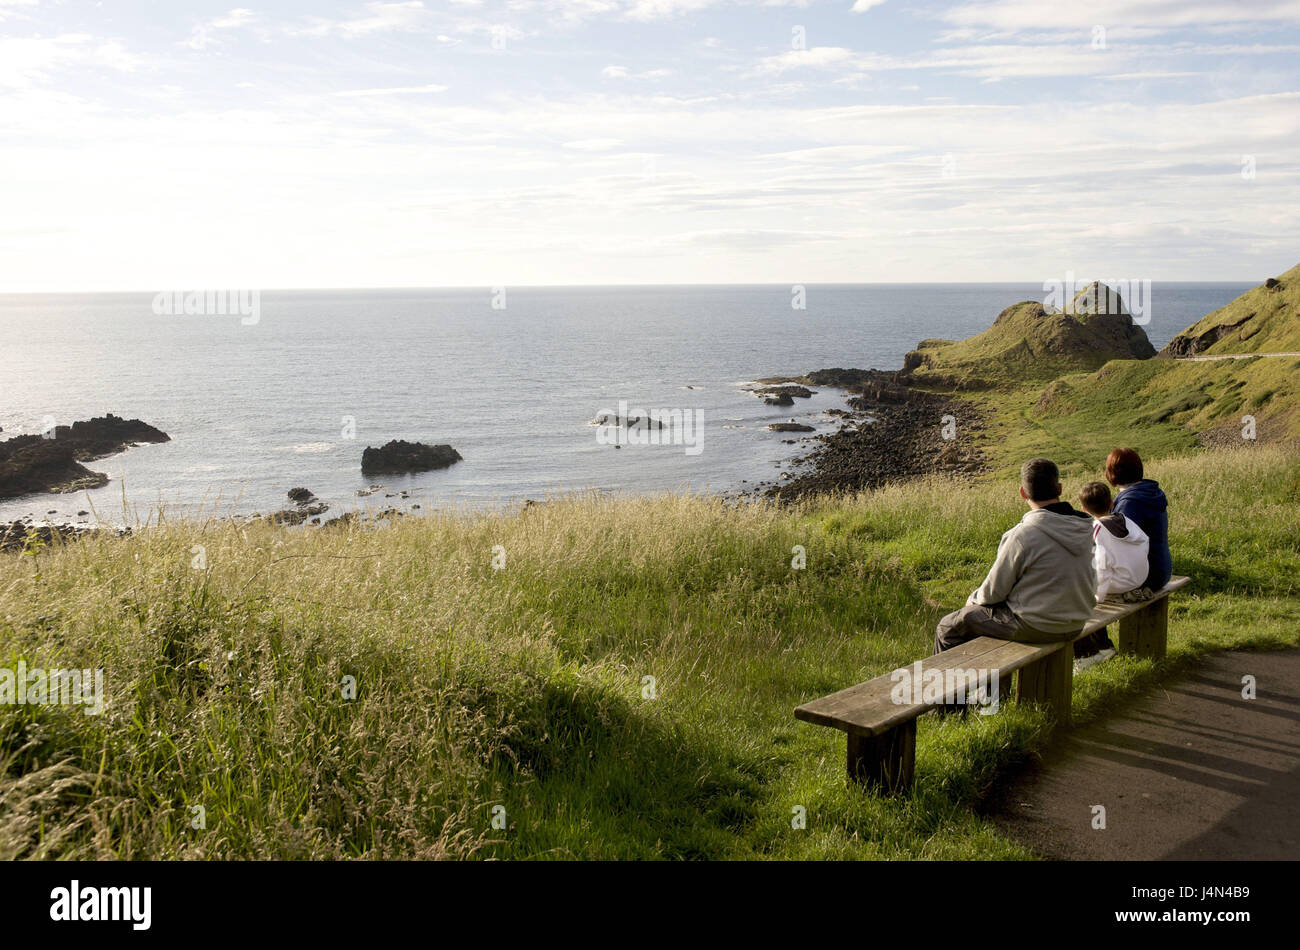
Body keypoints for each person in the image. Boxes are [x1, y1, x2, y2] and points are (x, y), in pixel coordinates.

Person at [934, 458, 1096, 662]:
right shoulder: (1085, 527)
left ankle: (954, 693)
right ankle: (990, 693)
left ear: (1022, 492)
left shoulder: (1023, 535)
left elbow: (993, 593)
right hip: (1076, 622)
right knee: (989, 617)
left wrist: (972, 602)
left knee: (949, 626)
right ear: (1060, 489)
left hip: (1038, 625)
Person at [1073, 481, 1150, 671]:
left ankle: (1087, 655)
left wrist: (1097, 597)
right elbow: (1145, 540)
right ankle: (1104, 646)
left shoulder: (1097, 529)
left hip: (1120, 583)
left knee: (1074, 594)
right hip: (1138, 577)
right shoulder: (1125, 520)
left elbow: (1101, 567)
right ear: (1111, 503)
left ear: (1083, 509)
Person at [1107, 447, 1171, 597]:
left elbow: (1118, 543)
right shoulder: (1150, 493)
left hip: (1145, 576)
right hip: (1161, 568)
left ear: (1112, 472)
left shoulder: (1130, 503)